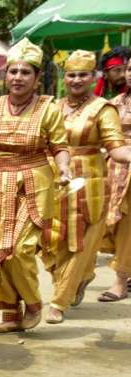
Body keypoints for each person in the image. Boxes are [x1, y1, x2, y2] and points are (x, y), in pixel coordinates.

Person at [0, 38, 72, 333]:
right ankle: (10, 314)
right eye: (13, 71)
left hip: (32, 184)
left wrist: (63, 167)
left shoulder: (48, 109)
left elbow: (60, 147)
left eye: (26, 72)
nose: (18, 77)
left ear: (37, 78)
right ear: (6, 76)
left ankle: (34, 303)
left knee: (17, 249)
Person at [44, 50, 131, 322]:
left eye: (83, 74)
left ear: (94, 77)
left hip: (91, 183)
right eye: (71, 75)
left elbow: (115, 147)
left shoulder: (102, 108)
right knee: (51, 244)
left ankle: (59, 302)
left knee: (79, 244)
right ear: (64, 78)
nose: (76, 80)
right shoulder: (53, 107)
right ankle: (83, 277)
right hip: (55, 180)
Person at [100, 59, 131, 302]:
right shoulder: (115, 104)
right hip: (120, 170)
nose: (130, 74)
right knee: (123, 226)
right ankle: (121, 280)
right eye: (130, 69)